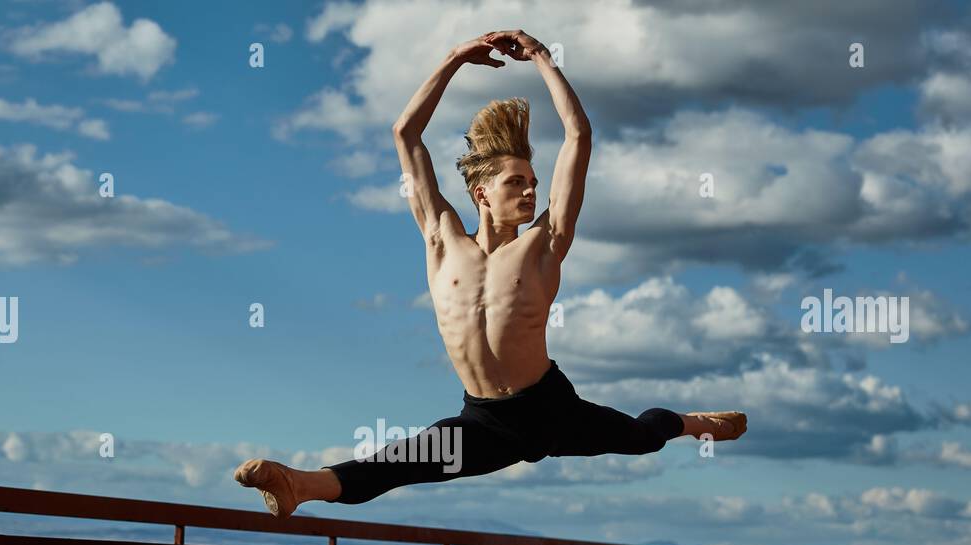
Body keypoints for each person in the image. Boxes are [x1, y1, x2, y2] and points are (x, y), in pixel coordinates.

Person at [237, 29, 746, 518]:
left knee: (640, 438)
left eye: (534, 182)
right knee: (395, 464)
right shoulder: (441, 241)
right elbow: (405, 133)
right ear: (482, 192)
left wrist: (542, 57)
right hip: (485, 421)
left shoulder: (544, 245)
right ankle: (297, 484)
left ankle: (691, 422)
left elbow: (578, 135)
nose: (530, 192)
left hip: (550, 409)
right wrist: (456, 58)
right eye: (516, 182)